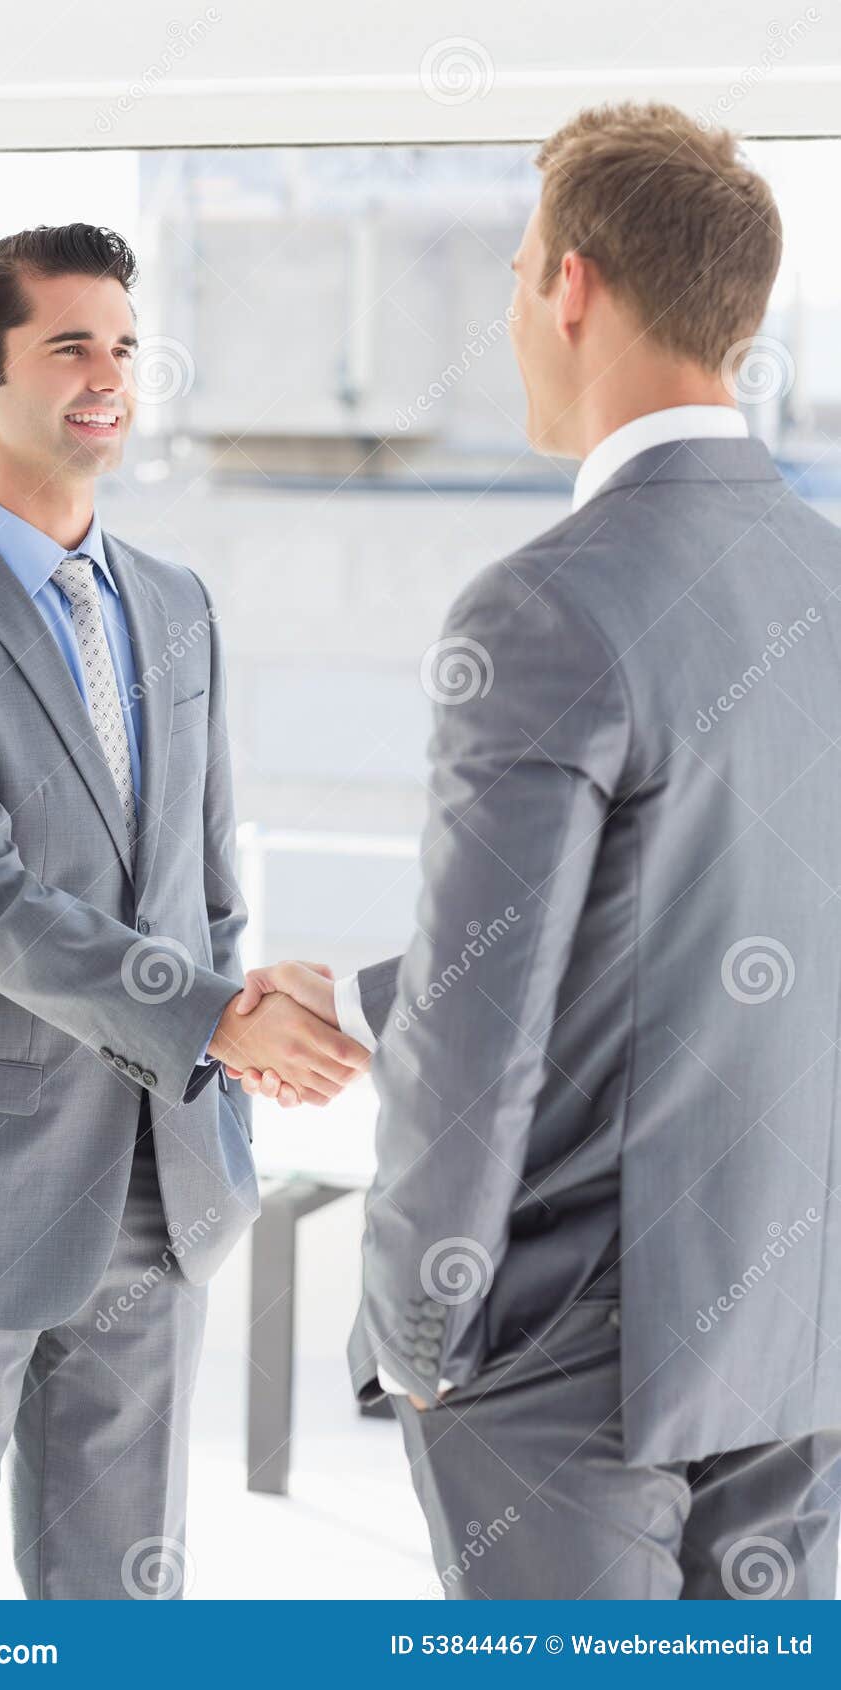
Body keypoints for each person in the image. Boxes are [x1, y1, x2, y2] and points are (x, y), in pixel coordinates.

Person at [231, 103, 841, 1599]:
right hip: (800, 1321)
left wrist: (420, 1335)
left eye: (515, 275)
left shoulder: (544, 607)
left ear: (571, 286)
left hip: (578, 1353)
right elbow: (705, 905)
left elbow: (488, 1038)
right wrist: (376, 1000)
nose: (513, 314)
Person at [0, 223, 367, 1600]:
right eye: (69, 348)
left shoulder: (176, 604)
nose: (108, 376)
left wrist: (228, 1038)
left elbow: (206, 885)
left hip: (156, 1180)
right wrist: (216, 1016)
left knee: (125, 1598)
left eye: (122, 346)